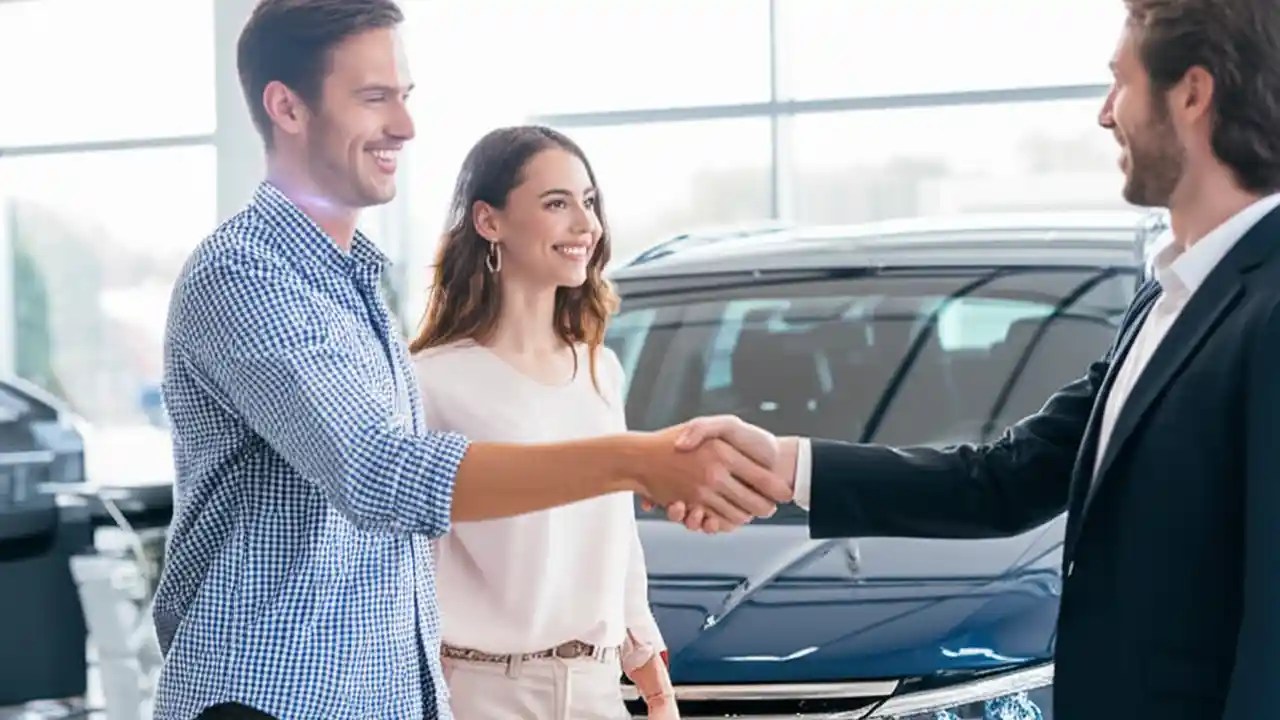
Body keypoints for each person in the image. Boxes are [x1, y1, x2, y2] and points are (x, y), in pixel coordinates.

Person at [153, 2, 788, 719]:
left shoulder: (355, 285)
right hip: (272, 703)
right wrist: (636, 460)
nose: (405, 125)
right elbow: (377, 474)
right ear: (286, 108)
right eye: (373, 98)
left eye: (405, 96)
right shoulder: (247, 275)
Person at [671, 1, 1280, 718]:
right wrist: (787, 466)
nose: (1105, 114)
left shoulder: (1267, 308)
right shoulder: (1168, 300)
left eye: (1120, 82)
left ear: (1192, 93)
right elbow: (1004, 480)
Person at [409, 126, 676, 719]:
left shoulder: (599, 368)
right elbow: (402, 560)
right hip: (481, 694)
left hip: (598, 690)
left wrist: (655, 687)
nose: (587, 225)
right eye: (557, 203)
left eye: (589, 202)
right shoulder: (429, 381)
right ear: (489, 221)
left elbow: (618, 538)